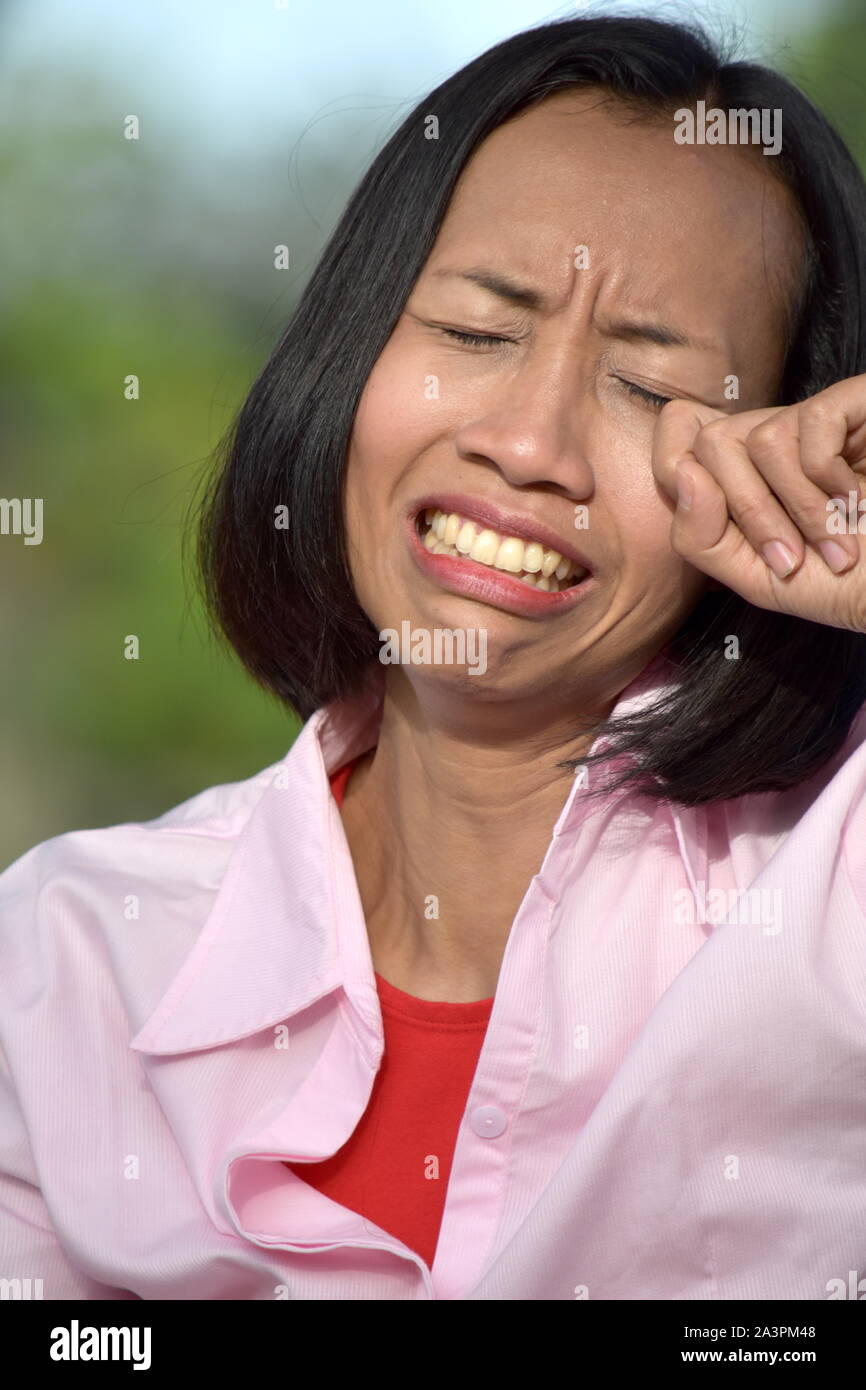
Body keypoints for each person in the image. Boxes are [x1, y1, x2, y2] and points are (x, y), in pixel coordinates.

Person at [3, 12, 866, 1302]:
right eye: (474, 330)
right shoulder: (62, 966)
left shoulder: (830, 901)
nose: (530, 444)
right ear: (348, 350)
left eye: (647, 386)